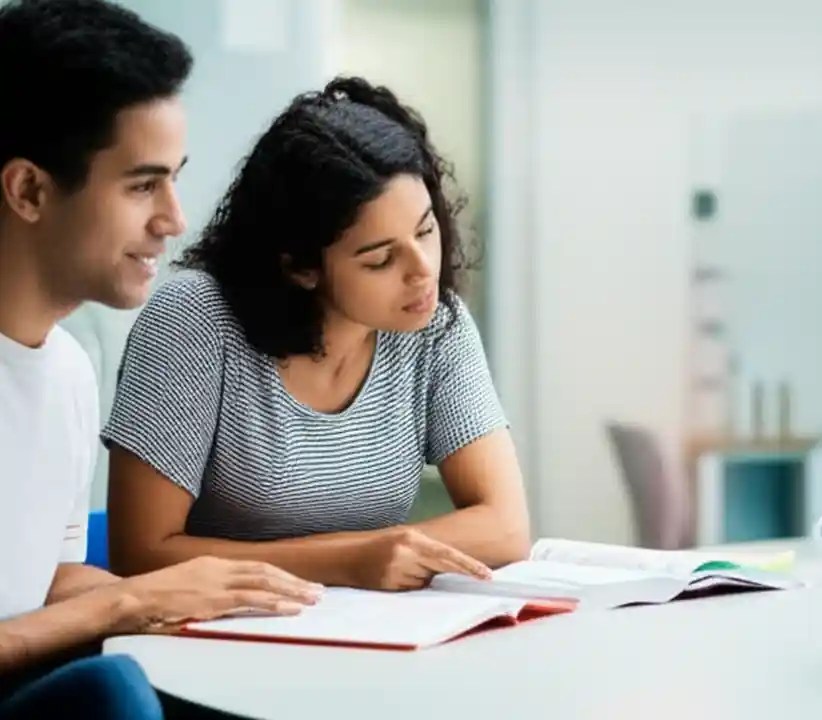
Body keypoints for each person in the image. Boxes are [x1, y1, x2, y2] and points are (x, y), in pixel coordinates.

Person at [0, 1, 320, 717]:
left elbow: (37, 586)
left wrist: (221, 593)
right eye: (143, 185)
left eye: (175, 179)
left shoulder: (68, 373)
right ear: (28, 190)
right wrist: (127, 599)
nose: (175, 220)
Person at [103, 76, 529, 590]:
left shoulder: (436, 324)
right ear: (302, 268)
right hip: (216, 639)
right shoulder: (196, 318)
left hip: (369, 634)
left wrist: (373, 556)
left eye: (424, 230)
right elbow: (141, 553)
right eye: (380, 259)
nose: (423, 271)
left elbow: (505, 527)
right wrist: (348, 560)